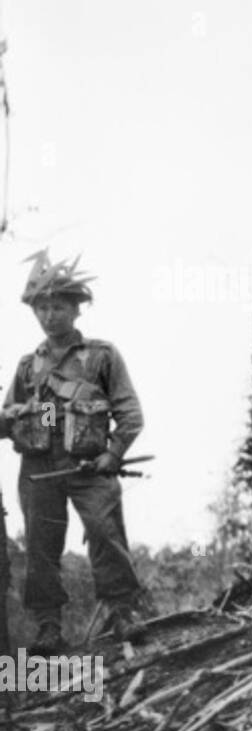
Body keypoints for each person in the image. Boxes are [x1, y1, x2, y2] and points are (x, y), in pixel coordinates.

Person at [1, 251, 148, 654]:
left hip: (89, 467)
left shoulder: (101, 356)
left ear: (76, 310)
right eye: (43, 308)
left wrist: (114, 454)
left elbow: (130, 414)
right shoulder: (29, 367)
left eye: (59, 307)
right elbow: (16, 420)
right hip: (40, 468)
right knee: (40, 546)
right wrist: (13, 418)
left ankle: (122, 612)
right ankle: (48, 626)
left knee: (105, 533)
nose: (51, 316)